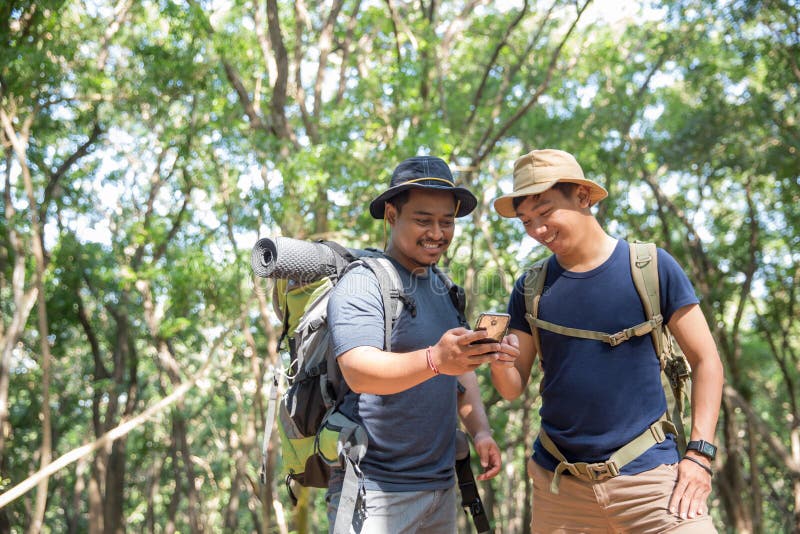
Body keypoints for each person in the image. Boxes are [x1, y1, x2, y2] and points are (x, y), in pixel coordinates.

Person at [490, 149, 724, 533]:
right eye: (526, 220)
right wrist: (499, 361)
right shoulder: (531, 288)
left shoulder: (651, 266)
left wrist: (700, 455)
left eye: (545, 212)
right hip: (559, 491)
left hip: (652, 485)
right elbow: (513, 387)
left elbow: (707, 361)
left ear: (582, 197)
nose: (536, 230)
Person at [325, 155, 509, 533]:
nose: (437, 233)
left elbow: (461, 375)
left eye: (447, 222)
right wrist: (435, 359)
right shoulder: (364, 280)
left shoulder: (443, 287)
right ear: (392, 215)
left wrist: (481, 432)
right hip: (374, 493)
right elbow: (358, 370)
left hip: (441, 489)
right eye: (423, 220)